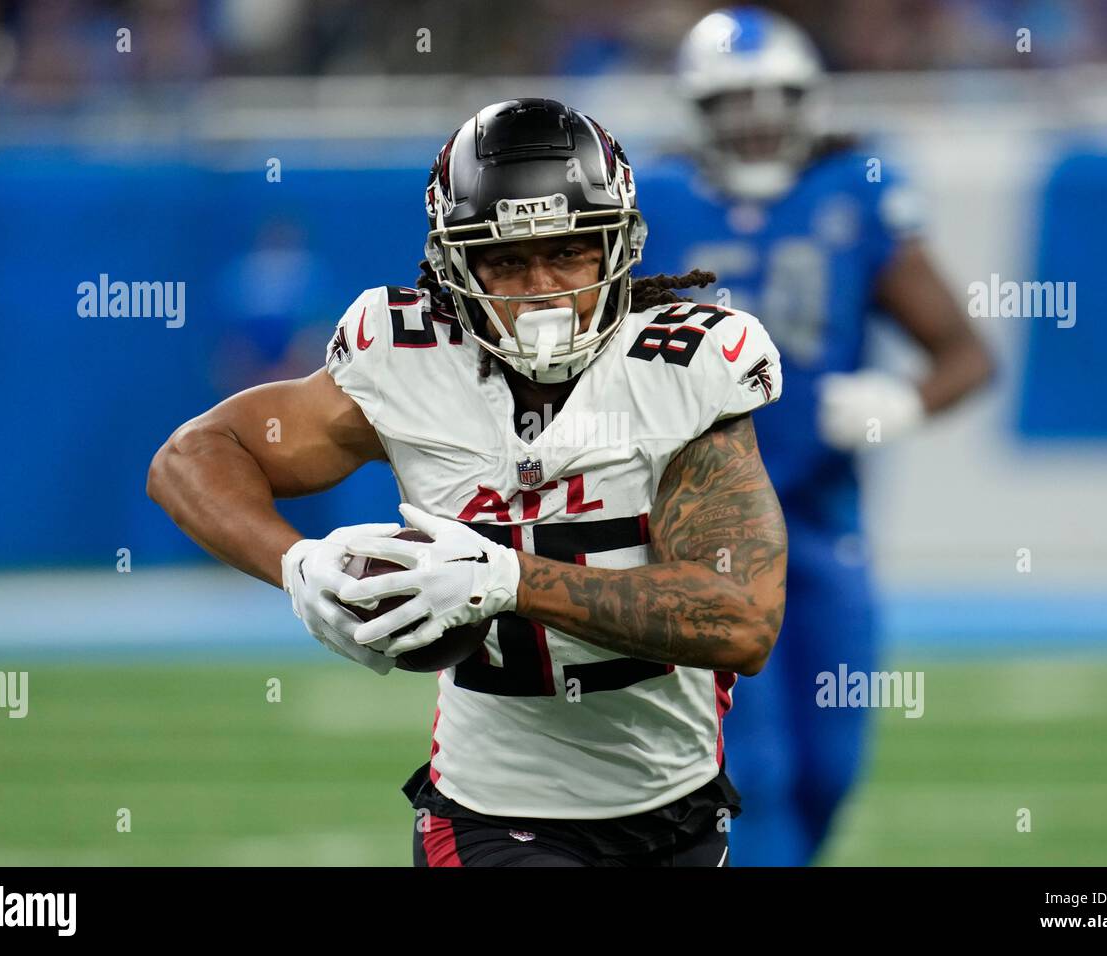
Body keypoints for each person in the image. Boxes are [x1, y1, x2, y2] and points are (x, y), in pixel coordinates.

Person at [147, 98, 789, 867]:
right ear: (456, 267)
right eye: (507, 261)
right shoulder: (410, 358)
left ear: (619, 247)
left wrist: (510, 580)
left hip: (678, 811)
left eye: (570, 252)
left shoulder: (682, 369)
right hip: (493, 816)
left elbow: (741, 620)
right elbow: (192, 456)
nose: (542, 287)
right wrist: (297, 564)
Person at [640, 9, 995, 865]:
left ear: (808, 100)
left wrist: (901, 402)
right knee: (749, 767)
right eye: (733, 101)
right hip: (696, 530)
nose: (757, 118)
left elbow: (965, 355)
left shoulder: (855, 189)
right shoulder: (654, 199)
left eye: (773, 98)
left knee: (830, 765)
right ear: (697, 109)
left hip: (821, 521)